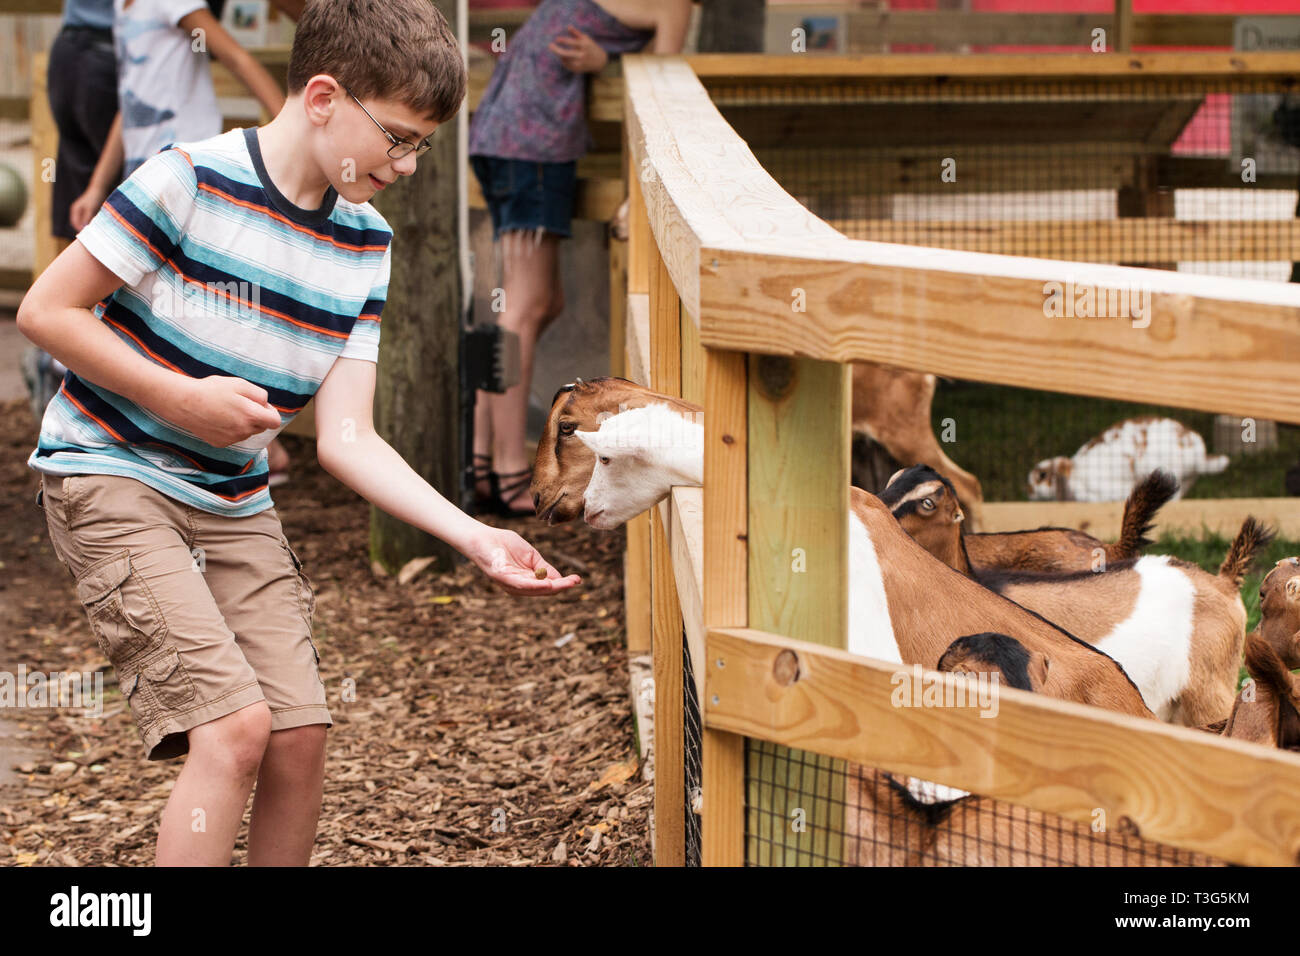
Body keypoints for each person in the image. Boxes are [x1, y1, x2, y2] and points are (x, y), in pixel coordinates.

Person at [17, 0, 580, 867]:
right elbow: (46, 310)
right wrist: (183, 399)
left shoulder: (365, 244)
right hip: (111, 472)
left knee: (298, 734)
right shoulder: (187, 179)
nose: (405, 165)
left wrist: (476, 536)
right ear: (322, 97)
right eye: (395, 137)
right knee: (235, 729)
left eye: (421, 145)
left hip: (233, 502)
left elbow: (347, 436)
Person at [467, 0, 692, 516]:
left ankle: (481, 459)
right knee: (523, 305)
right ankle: (505, 468)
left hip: (512, 142)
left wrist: (602, 64)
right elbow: (659, 87)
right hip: (531, 148)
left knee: (540, 302)